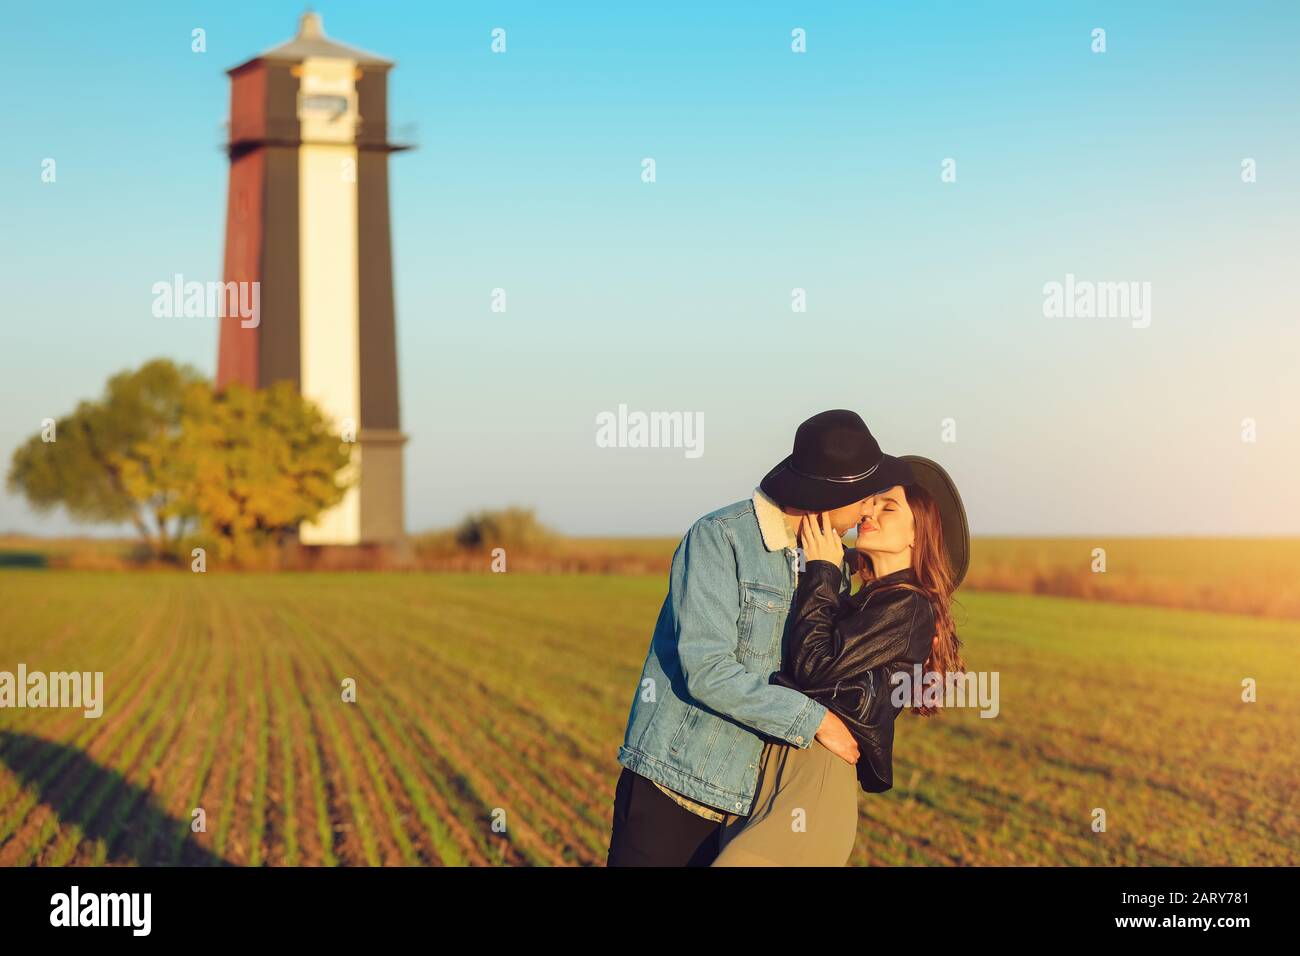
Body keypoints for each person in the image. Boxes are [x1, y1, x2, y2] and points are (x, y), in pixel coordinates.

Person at [606, 409, 914, 866]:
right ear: (829, 496)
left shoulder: (826, 560)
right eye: (865, 496)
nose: (870, 507)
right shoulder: (720, 538)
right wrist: (817, 721)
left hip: (749, 807)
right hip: (675, 787)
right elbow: (708, 670)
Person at [711, 456, 969, 866]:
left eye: (889, 508)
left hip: (815, 779)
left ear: (919, 536)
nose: (870, 514)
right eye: (872, 504)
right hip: (776, 768)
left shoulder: (908, 605)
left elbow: (813, 665)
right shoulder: (865, 599)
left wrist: (822, 571)